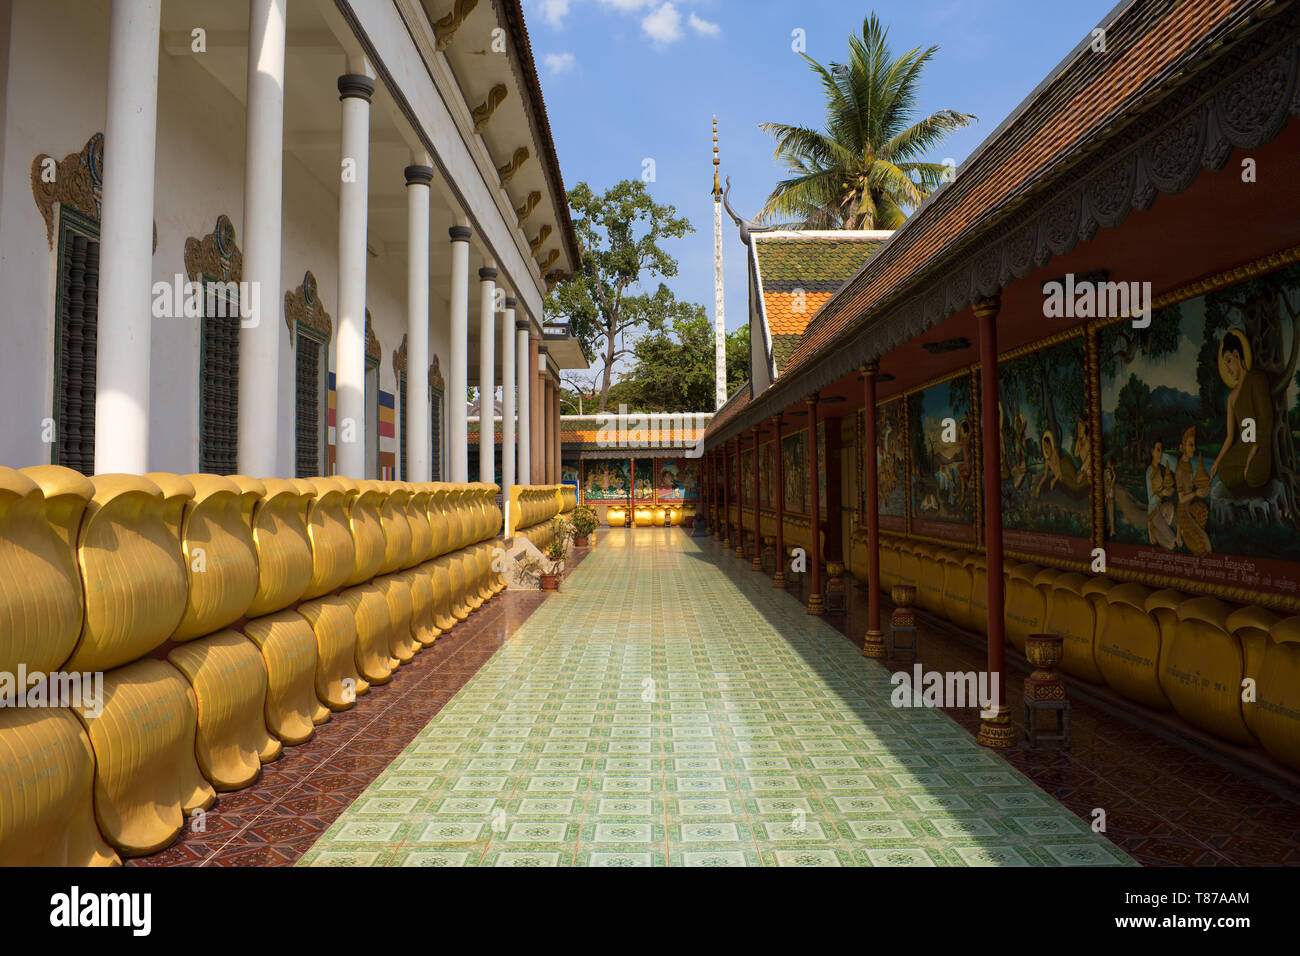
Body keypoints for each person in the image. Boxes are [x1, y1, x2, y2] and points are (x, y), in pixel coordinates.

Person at [1210, 330, 1273, 495]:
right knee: (1224, 470)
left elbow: (1265, 420)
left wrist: (1251, 455)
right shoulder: (1231, 397)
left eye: (1229, 361)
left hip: (1258, 446)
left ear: (1237, 355)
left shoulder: (1257, 379)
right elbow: (1230, 436)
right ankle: (1245, 476)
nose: (1228, 369)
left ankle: (1248, 476)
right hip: (1243, 447)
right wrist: (1216, 463)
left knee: (1254, 473)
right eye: (1225, 365)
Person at [1175, 426, 1212, 555]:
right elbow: (1181, 499)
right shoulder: (1179, 470)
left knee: (1202, 509)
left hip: (1190, 508)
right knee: (1204, 547)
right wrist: (1196, 493)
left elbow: (1192, 491)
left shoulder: (1189, 465)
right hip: (1183, 513)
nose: (1193, 448)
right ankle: (1183, 531)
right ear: (1182, 447)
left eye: (1194, 445)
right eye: (1190, 445)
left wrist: (1201, 491)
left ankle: (1187, 532)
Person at [1145, 440, 1177, 550]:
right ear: (1152, 451)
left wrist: (1167, 491)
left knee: (1170, 507)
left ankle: (1155, 530)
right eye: (1158, 450)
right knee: (1172, 542)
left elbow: (1162, 490)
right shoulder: (1150, 471)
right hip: (1153, 511)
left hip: (1160, 508)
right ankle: (1156, 528)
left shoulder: (1158, 469)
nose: (1160, 453)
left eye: (1161, 450)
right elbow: (1151, 499)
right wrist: (1162, 493)